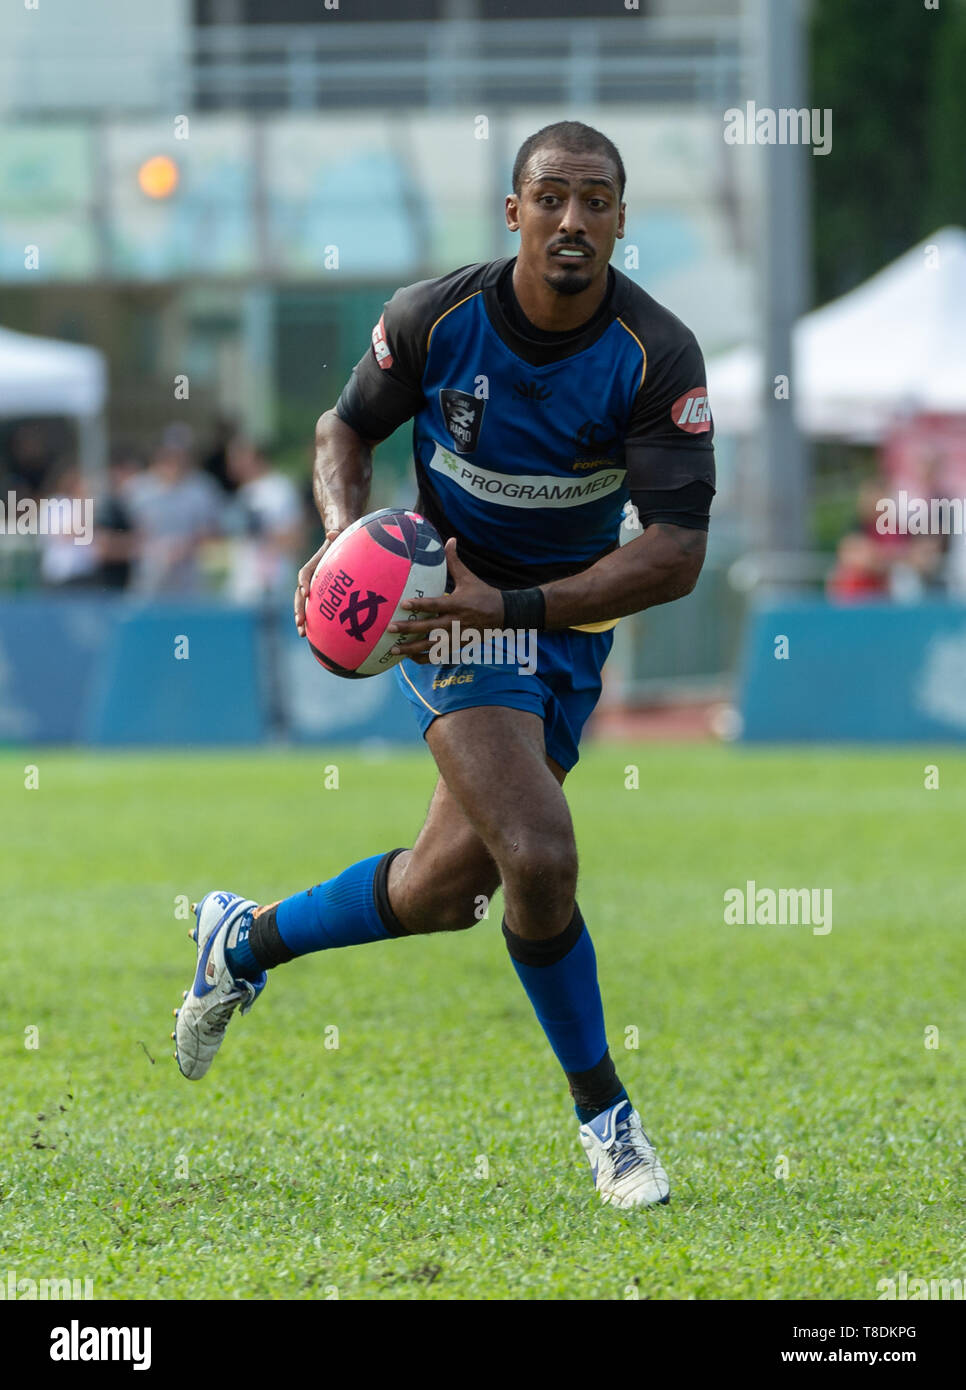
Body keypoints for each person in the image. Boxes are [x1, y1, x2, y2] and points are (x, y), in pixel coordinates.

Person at [172, 122, 715, 1210]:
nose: (572, 219)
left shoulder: (657, 354)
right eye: (550, 197)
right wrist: (338, 535)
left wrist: (516, 605)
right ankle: (608, 1121)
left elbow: (676, 552)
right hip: (444, 620)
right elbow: (341, 429)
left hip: (554, 622)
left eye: (595, 200)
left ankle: (246, 937)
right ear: (512, 211)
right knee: (538, 853)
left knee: (440, 890)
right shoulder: (434, 318)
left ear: (620, 220)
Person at [125, 424, 223, 595]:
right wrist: (153, 549)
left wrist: (185, 548)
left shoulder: (203, 488)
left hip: (190, 580)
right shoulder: (138, 488)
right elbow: (129, 531)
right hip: (149, 578)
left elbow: (213, 533)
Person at [224, 438, 305, 603]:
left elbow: (296, 539)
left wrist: (262, 530)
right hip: (244, 583)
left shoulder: (280, 488)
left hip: (273, 583)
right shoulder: (244, 492)